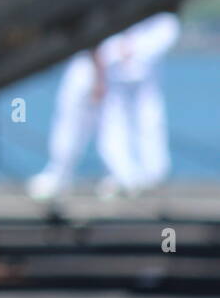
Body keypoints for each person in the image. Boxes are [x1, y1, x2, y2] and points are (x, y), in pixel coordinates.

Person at [27, 11, 180, 200]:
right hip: (95, 63)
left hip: (114, 67)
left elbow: (165, 28)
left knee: (119, 127)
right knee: (77, 122)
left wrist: (126, 53)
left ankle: (131, 177)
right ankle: (62, 174)